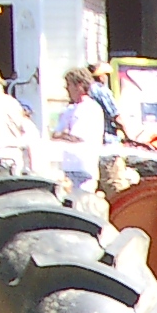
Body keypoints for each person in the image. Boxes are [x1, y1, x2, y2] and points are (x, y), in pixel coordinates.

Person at [52, 66, 105, 207]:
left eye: (69, 85)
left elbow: (77, 137)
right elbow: (55, 133)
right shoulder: (70, 109)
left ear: (80, 86)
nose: (67, 89)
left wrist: (62, 135)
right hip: (68, 166)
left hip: (83, 167)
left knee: (81, 204)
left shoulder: (90, 108)